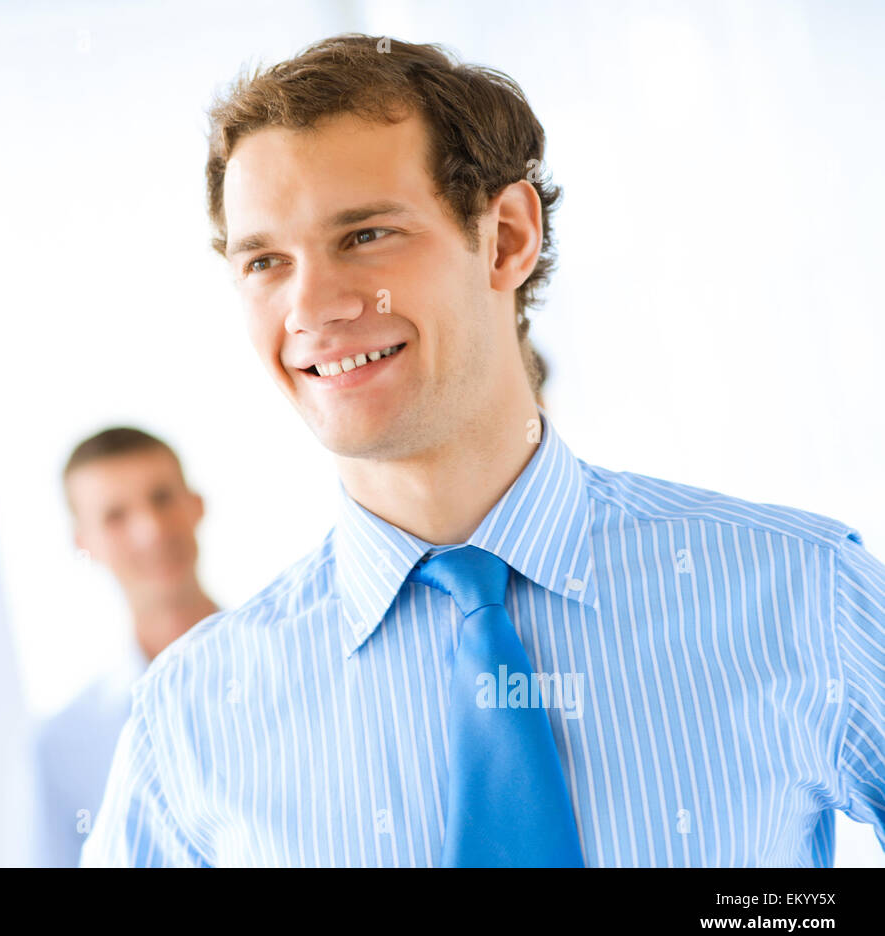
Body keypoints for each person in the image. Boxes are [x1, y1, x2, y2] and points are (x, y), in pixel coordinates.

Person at [81, 34, 885, 867]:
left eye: (364, 235)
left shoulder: (802, 591)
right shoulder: (189, 721)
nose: (310, 307)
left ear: (505, 238)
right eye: (265, 260)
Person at [35, 427, 220, 867]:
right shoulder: (59, 748)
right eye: (115, 516)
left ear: (196, 505)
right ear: (84, 543)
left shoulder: (299, 666)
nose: (150, 530)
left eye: (161, 498)